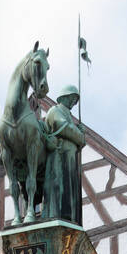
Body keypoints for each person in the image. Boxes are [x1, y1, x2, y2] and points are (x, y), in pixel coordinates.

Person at [42, 85, 85, 224]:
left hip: (70, 158)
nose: (74, 102)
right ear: (64, 97)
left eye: (75, 100)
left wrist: (79, 132)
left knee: (70, 189)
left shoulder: (69, 115)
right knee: (58, 188)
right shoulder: (55, 110)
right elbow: (63, 127)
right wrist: (80, 136)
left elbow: (71, 129)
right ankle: (56, 215)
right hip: (59, 156)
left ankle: (69, 217)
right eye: (72, 98)